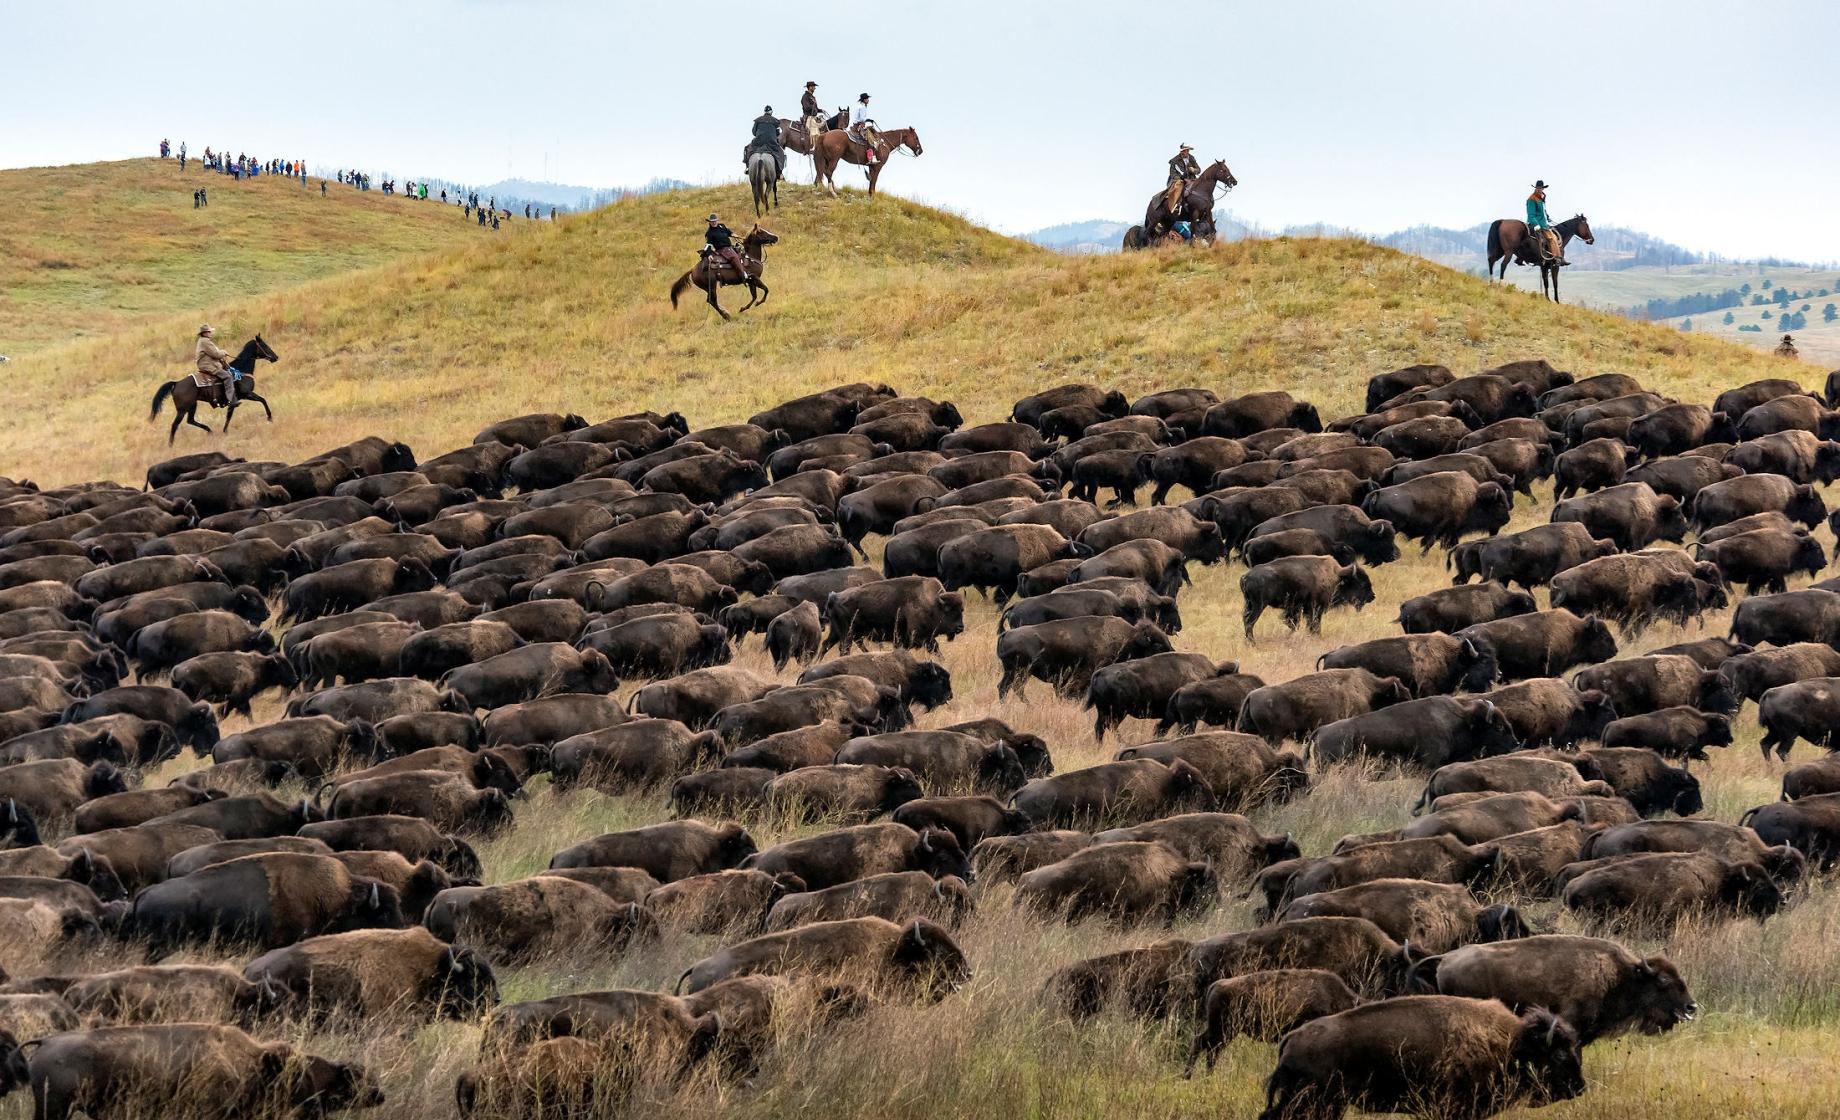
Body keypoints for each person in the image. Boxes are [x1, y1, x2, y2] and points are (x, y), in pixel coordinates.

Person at [1525, 180, 1567, 266]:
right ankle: (1557, 258)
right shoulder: (1531, 199)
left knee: (1553, 237)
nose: (1540, 190)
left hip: (1544, 223)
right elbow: (1531, 214)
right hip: (1538, 224)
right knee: (1552, 238)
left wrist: (1547, 217)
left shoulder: (1541, 197)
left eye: (1541, 188)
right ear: (1536, 188)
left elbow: (1542, 211)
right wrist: (1536, 225)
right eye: (1538, 188)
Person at [195, 325, 236, 405]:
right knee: (228, 376)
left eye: (210, 331)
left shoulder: (203, 340)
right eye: (208, 331)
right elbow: (215, 354)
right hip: (208, 365)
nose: (210, 333)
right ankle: (229, 399)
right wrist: (224, 352)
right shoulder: (205, 342)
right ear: (204, 333)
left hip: (206, 363)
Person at [705, 213, 749, 278]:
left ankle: (746, 268)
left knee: (741, 251)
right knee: (734, 257)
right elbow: (708, 245)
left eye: (715, 221)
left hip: (729, 247)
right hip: (722, 249)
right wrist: (709, 254)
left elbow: (729, 232)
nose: (714, 222)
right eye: (712, 221)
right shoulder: (709, 233)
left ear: (717, 221)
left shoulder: (721, 226)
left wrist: (733, 234)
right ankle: (743, 274)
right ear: (710, 222)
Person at [747, 105, 787, 175]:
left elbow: (754, 132)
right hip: (771, 143)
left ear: (764, 112)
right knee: (781, 153)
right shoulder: (775, 121)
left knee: (747, 149)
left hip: (758, 142)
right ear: (771, 112)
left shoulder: (758, 120)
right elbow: (778, 133)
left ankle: (748, 167)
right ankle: (779, 172)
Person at [1164, 144, 1200, 217]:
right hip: (1177, 179)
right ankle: (1177, 205)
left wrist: (1194, 170)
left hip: (1191, 179)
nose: (1187, 152)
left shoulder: (1191, 158)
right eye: (1185, 150)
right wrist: (1180, 179)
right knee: (1179, 186)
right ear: (1182, 151)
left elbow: (1198, 170)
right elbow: (1173, 173)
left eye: (1188, 150)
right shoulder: (1175, 161)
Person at [850, 93, 879, 162]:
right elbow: (862, 118)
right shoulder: (862, 107)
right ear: (864, 100)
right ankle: (870, 158)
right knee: (870, 139)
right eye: (867, 99)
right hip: (860, 125)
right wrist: (867, 120)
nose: (868, 100)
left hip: (856, 124)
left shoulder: (859, 106)